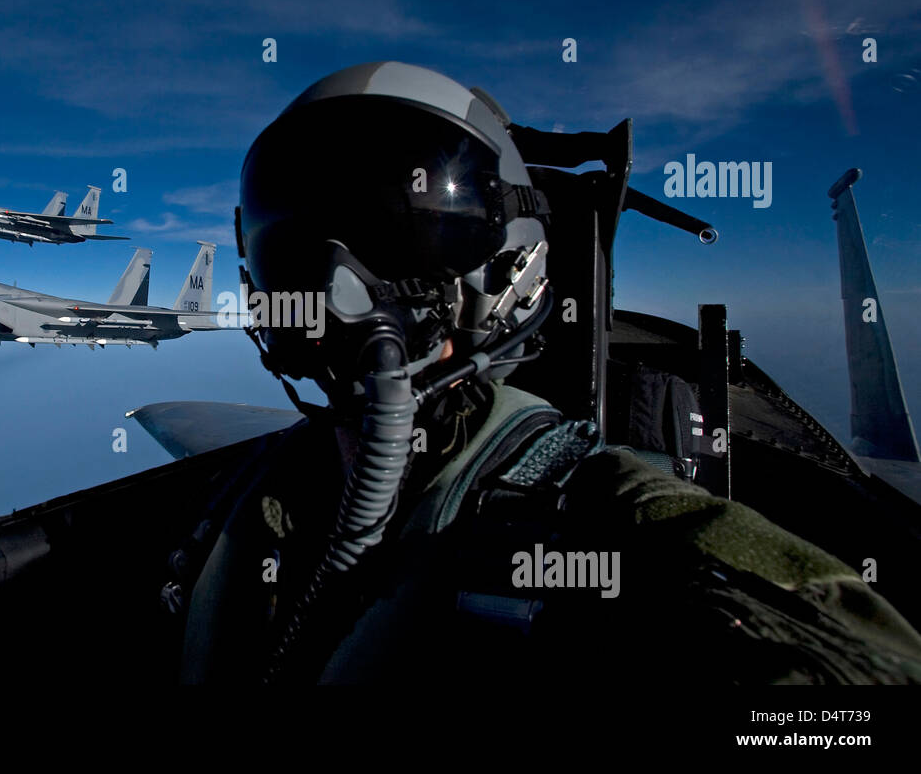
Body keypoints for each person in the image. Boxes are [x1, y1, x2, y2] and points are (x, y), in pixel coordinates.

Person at [177, 62, 921, 685]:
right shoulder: (263, 486)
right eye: (301, 243)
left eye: (400, 235)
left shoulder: (594, 516)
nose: (341, 285)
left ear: (512, 264)